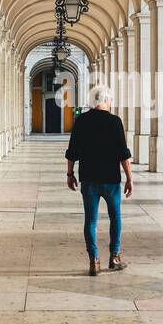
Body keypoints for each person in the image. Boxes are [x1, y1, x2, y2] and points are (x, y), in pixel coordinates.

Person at [65, 84, 133, 275]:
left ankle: (94, 260)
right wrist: (129, 178)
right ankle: (115, 257)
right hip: (111, 179)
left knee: (91, 220)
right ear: (107, 100)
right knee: (115, 217)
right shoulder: (115, 122)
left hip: (88, 178)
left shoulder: (81, 121)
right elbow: (123, 154)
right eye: (110, 100)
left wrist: (70, 174)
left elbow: (72, 151)